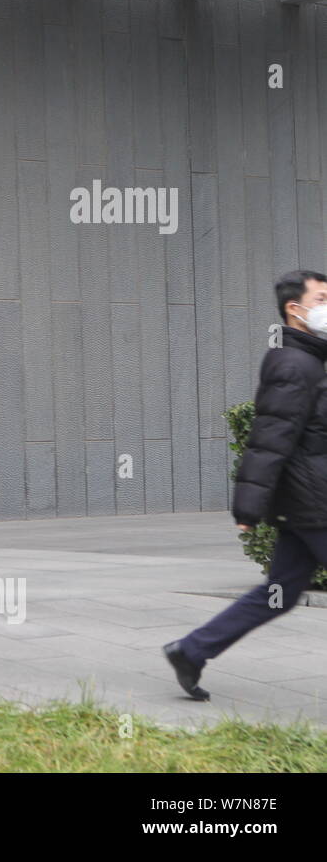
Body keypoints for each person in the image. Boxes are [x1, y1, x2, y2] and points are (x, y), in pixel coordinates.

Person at [164, 270, 327, 701]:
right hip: (314, 502)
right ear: (295, 310)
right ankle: (193, 649)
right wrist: (248, 508)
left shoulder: (310, 361)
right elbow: (270, 437)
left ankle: (192, 650)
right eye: (324, 298)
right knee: (281, 593)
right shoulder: (295, 364)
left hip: (304, 502)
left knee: (281, 592)